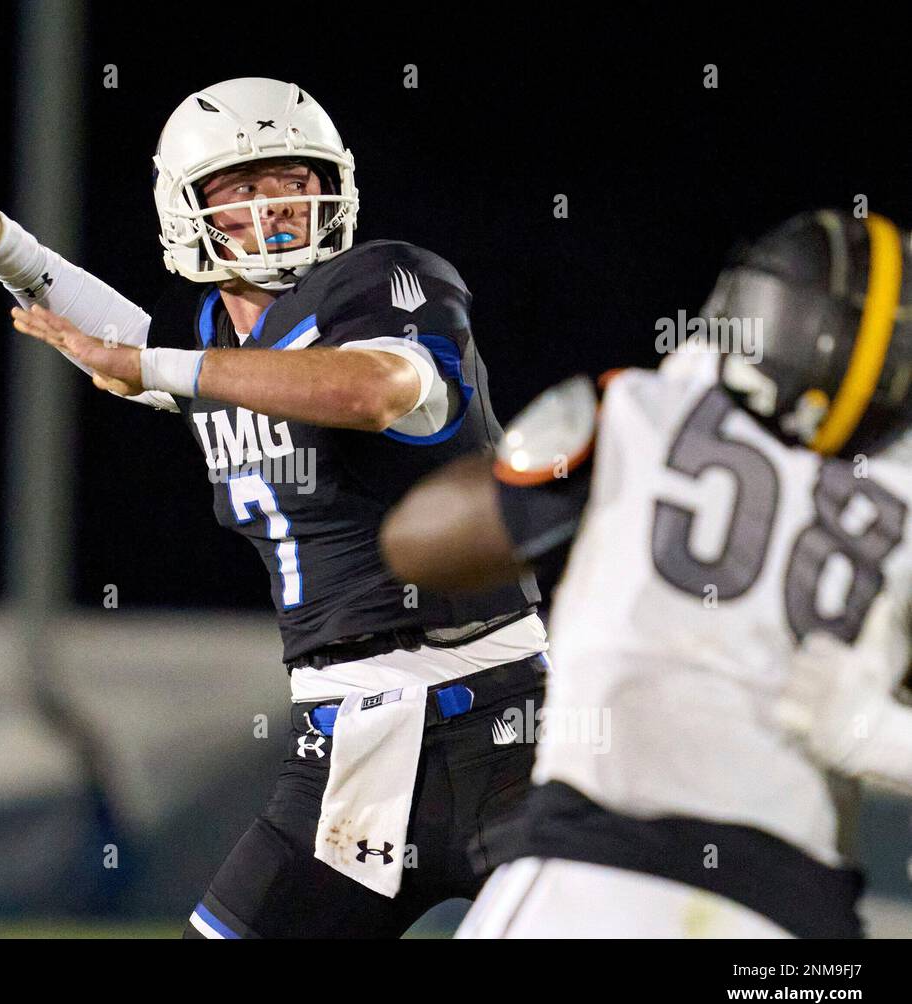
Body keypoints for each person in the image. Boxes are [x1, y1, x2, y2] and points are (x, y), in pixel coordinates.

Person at [0, 77, 548, 938]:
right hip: (344, 742)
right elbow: (137, 349)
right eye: (242, 186)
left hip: (505, 731)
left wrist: (156, 370)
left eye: (292, 178)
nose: (277, 204)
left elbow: (373, 387)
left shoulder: (383, 280)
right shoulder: (221, 349)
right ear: (184, 207)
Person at [380, 209, 912, 938]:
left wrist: (542, 463)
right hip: (794, 915)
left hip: (593, 870)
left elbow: (413, 546)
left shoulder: (646, 411)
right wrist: (868, 733)